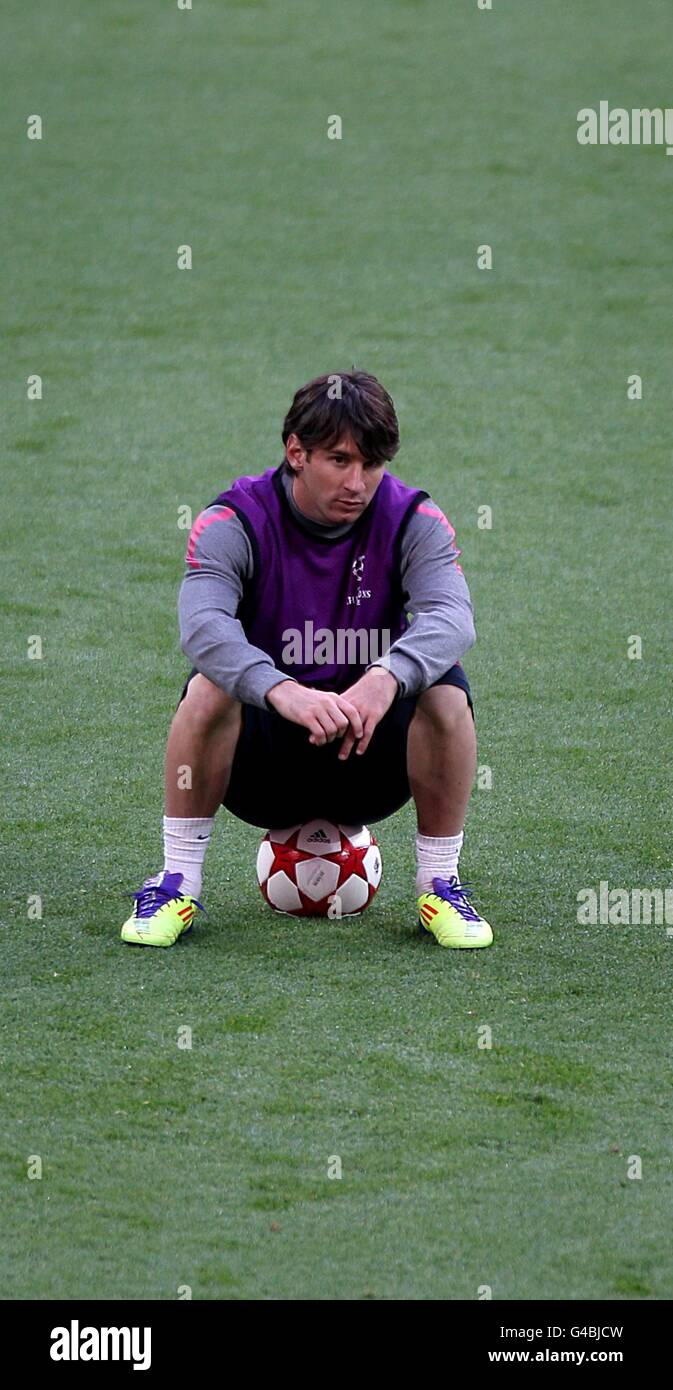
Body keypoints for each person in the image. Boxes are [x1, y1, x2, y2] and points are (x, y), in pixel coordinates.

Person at [120, 371, 493, 949]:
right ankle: (176, 881)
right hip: (262, 765)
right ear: (296, 452)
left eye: (372, 464)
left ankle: (440, 882)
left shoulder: (414, 519)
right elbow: (202, 627)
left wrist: (385, 677)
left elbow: (452, 618)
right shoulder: (233, 520)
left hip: (370, 756)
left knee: (445, 688)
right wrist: (279, 689)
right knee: (208, 687)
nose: (358, 482)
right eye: (340, 461)